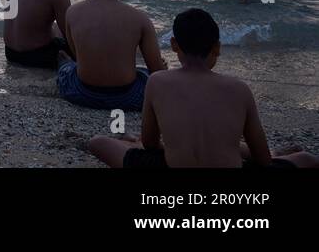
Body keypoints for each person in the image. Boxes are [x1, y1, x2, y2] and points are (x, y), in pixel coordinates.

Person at [87, 9, 318, 168]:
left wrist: (173, 145)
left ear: (175, 45)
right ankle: (277, 152)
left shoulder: (157, 81)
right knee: (307, 159)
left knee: (98, 142)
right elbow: (262, 159)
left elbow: (149, 144)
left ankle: (131, 140)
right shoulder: (239, 89)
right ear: (217, 47)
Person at [58, 0, 165, 111]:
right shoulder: (140, 18)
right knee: (144, 74)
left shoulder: (73, 12)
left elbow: (78, 55)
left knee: (66, 68)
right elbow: (156, 71)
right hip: (128, 98)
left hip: (82, 93)